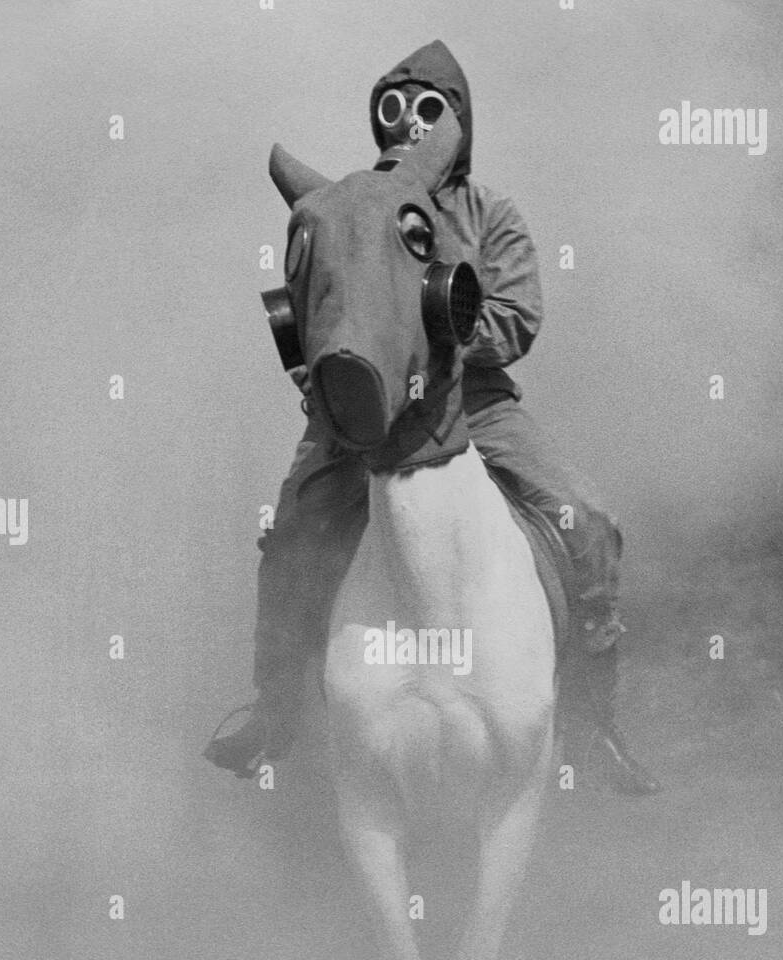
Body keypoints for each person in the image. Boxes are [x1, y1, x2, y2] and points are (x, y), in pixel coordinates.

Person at [205, 40, 660, 795]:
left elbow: (515, 319)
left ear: (457, 121)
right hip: (366, 406)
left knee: (587, 520)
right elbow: (312, 312)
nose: (407, 127)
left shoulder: (492, 216)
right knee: (291, 530)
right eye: (392, 110)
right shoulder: (346, 208)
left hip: (470, 403)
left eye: (428, 110)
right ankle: (275, 707)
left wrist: (440, 334)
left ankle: (588, 717)